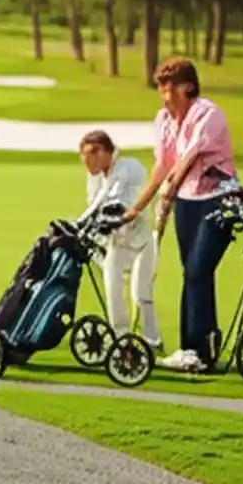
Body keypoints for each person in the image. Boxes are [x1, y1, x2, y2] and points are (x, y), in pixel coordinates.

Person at [123, 57, 238, 373]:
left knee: (199, 270)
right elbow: (163, 165)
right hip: (188, 202)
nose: (164, 92)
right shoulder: (164, 119)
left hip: (220, 201)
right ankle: (198, 348)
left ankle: (196, 351)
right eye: (161, 86)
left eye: (170, 85)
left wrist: (170, 189)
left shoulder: (208, 114)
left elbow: (189, 157)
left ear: (188, 86)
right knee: (193, 272)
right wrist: (138, 207)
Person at [78, 129, 162, 354]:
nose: (88, 163)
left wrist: (115, 217)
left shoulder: (130, 167)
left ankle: (152, 341)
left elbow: (128, 202)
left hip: (142, 241)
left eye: (91, 155)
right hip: (116, 243)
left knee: (141, 294)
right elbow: (93, 206)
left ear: (104, 152)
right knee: (112, 288)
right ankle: (120, 340)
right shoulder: (94, 178)